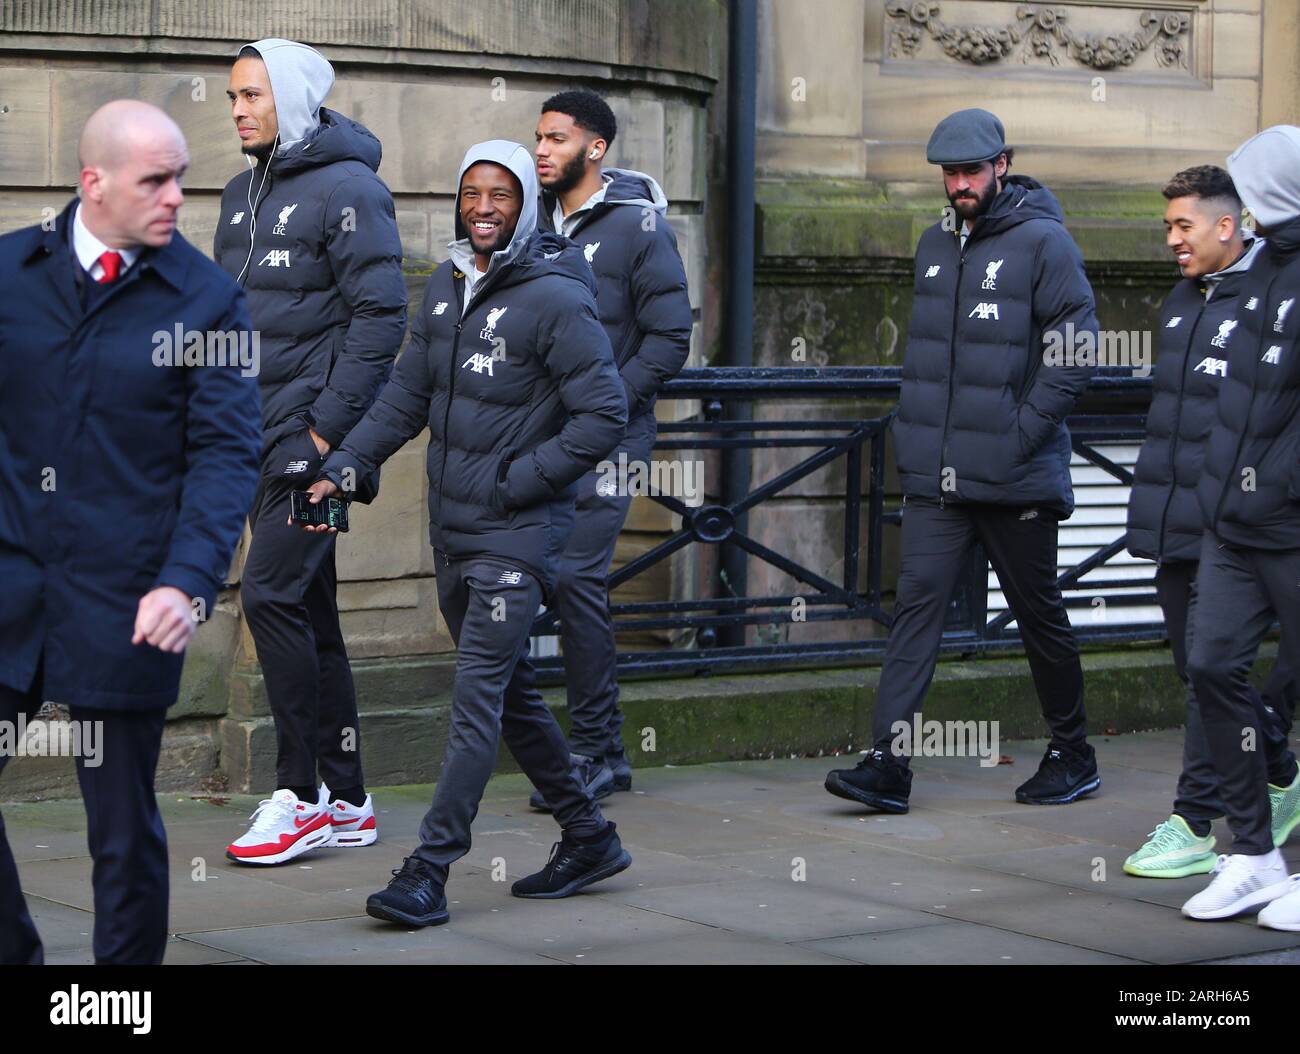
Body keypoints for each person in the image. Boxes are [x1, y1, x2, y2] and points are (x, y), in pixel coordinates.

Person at [301, 140, 631, 926]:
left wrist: (520, 481)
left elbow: (605, 414)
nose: (483, 207)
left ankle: (429, 868)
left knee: (476, 700)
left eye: (502, 195)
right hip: (455, 533)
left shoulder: (555, 296)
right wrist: (341, 467)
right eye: (472, 193)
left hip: (517, 539)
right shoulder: (447, 288)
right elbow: (403, 396)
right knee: (512, 696)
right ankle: (588, 836)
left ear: (525, 206)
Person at [0, 101, 261, 963]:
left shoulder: (212, 301)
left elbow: (226, 457)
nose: (176, 197)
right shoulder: (10, 273)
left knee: (121, 835)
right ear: (93, 182)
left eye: (183, 176)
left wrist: (187, 581)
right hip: (9, 587)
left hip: (130, 598)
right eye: (156, 179)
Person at [824, 108, 1099, 812]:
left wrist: (1019, 435)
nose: (959, 184)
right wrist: (918, 447)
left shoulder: (1046, 243)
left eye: (971, 171)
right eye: (949, 174)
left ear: (1002, 163)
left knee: (1039, 616)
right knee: (914, 612)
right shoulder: (933, 244)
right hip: (937, 479)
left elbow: (1076, 349)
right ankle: (888, 764)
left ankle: (1074, 752)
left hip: (1016, 476)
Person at [214, 38, 407, 865]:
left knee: (268, 597)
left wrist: (323, 437)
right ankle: (353, 799)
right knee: (311, 611)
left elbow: (381, 320)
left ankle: (301, 794)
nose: (237, 109)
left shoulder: (351, 188)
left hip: (307, 450)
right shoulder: (238, 192)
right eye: (230, 96)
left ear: (290, 98)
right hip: (249, 438)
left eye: (252, 94)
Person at [1122, 165, 1299, 881]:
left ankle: (1195, 822)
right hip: (1179, 516)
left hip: (1239, 519)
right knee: (1198, 669)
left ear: (1229, 225)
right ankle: (1280, 772)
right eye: (1167, 226)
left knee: (1210, 674)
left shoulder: (1267, 290)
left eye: (1183, 225)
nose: (1172, 239)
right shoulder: (1181, 297)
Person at [526, 89, 693, 809]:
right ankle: (600, 751)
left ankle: (595, 749)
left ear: (595, 149)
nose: (541, 150)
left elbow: (668, 338)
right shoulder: (530, 223)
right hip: (540, 436)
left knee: (574, 578)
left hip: (615, 437)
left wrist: (606, 405)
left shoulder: (640, 226)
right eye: (538, 137)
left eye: (556, 139)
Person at [1183, 126, 1300, 925]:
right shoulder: (1261, 271)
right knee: (1212, 667)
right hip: (1234, 523)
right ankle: (1255, 857)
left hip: (1292, 525)